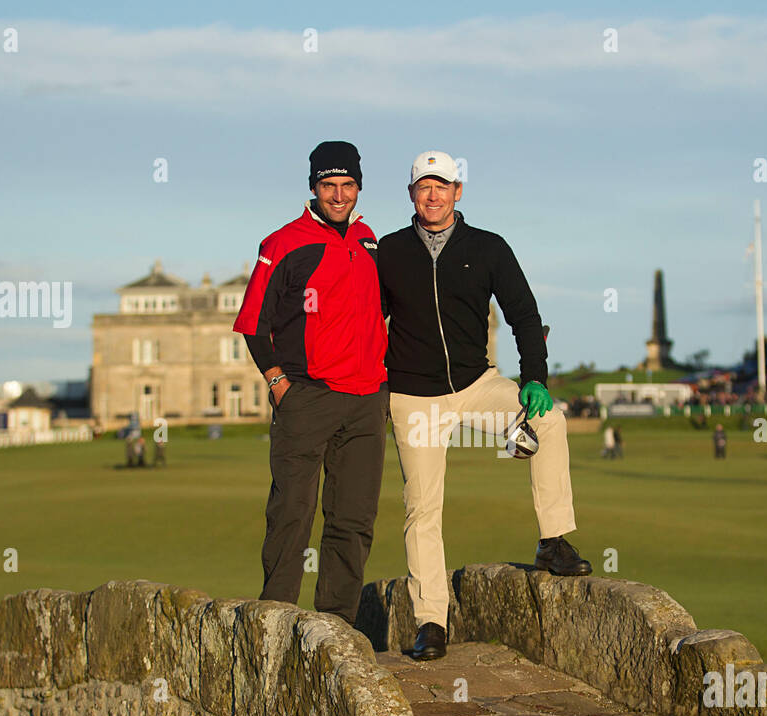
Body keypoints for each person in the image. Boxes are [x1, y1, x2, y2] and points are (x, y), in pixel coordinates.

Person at [378, 149, 589, 661]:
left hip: (477, 386)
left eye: (442, 186)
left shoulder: (488, 247)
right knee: (422, 508)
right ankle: (431, 620)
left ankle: (552, 540)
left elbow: (524, 312)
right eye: (424, 187)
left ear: (458, 192)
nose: (433, 196)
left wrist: (534, 378)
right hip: (415, 396)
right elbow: (367, 325)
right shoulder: (388, 251)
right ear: (411, 195)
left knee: (550, 421)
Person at [233, 141, 389, 627]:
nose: (338, 195)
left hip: (366, 401)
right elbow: (254, 322)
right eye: (328, 186)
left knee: (353, 519)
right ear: (313, 188)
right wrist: (278, 382)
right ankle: (276, 619)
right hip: (308, 397)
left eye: (347, 186)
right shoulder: (283, 243)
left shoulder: (369, 241)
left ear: (359, 187)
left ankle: (336, 628)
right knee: (292, 513)